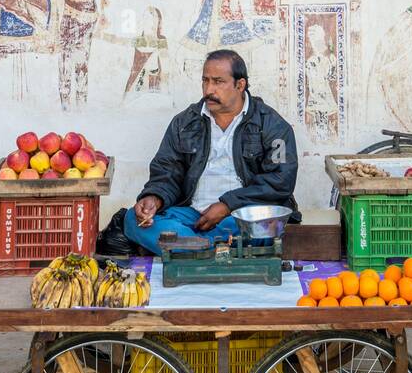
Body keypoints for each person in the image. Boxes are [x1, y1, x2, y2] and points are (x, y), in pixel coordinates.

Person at [124, 49, 299, 254]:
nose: (209, 89)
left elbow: (280, 181)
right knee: (132, 220)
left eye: (218, 82)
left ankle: (190, 248)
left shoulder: (272, 125)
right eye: (205, 81)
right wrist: (155, 198)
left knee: (265, 228)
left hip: (242, 218)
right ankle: (217, 248)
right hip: (194, 217)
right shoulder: (184, 123)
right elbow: (166, 171)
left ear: (240, 85)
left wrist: (227, 205)